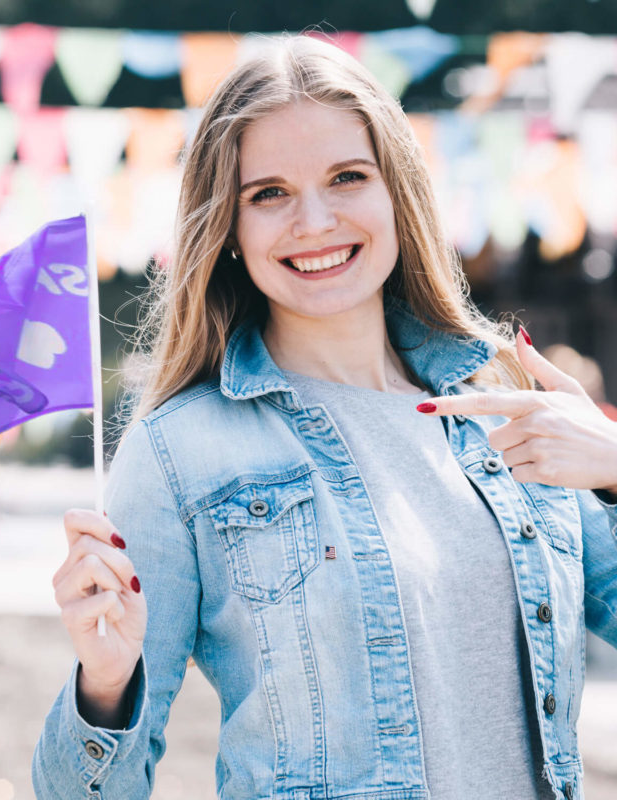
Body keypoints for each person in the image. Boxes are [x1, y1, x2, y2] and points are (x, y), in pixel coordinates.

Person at [33, 34, 617, 800]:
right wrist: (102, 685)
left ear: (397, 192)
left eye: (347, 177)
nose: (314, 221)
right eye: (268, 193)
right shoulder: (180, 452)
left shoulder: (506, 406)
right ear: (230, 228)